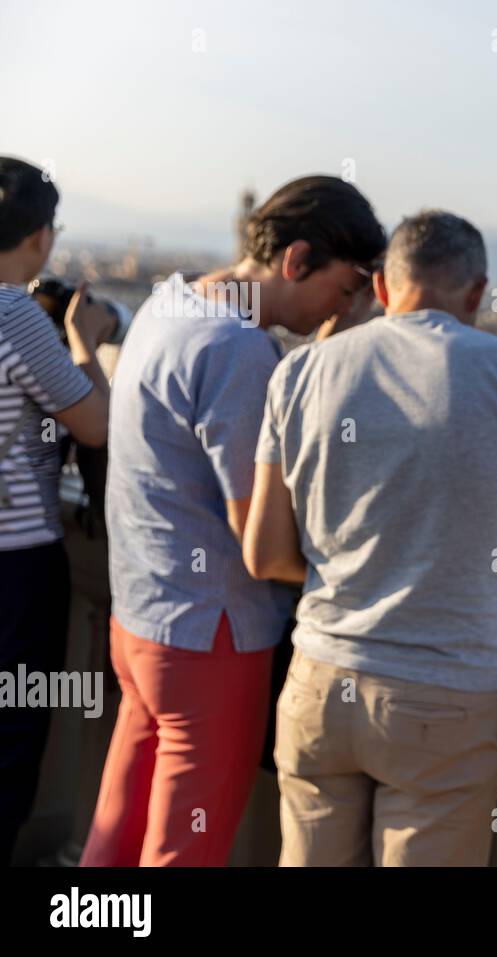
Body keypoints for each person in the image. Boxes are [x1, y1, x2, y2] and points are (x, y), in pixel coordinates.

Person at [243, 209, 497, 866]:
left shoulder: (300, 371)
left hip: (318, 681)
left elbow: (265, 553)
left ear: (384, 288)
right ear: (476, 293)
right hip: (444, 694)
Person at [81, 176, 385, 866]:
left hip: (142, 619)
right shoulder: (240, 351)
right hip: (211, 635)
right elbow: (265, 545)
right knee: (184, 849)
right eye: (342, 290)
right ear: (296, 259)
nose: (340, 309)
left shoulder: (170, 302)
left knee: (118, 828)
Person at [0, 156, 113, 864]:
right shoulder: (14, 312)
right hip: (15, 567)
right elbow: (95, 424)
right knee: (8, 747)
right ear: (41, 236)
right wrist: (86, 341)